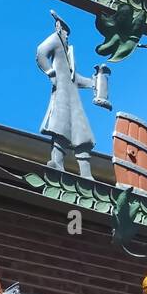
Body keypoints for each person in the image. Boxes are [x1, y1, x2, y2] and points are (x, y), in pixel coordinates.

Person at [36, 12, 97, 177]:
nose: (66, 35)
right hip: (62, 94)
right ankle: (57, 163)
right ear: (58, 28)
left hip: (74, 99)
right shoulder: (55, 40)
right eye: (65, 31)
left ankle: (86, 173)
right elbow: (41, 52)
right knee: (60, 127)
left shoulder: (68, 52)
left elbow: (74, 77)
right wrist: (50, 72)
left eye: (67, 33)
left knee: (81, 132)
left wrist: (93, 83)